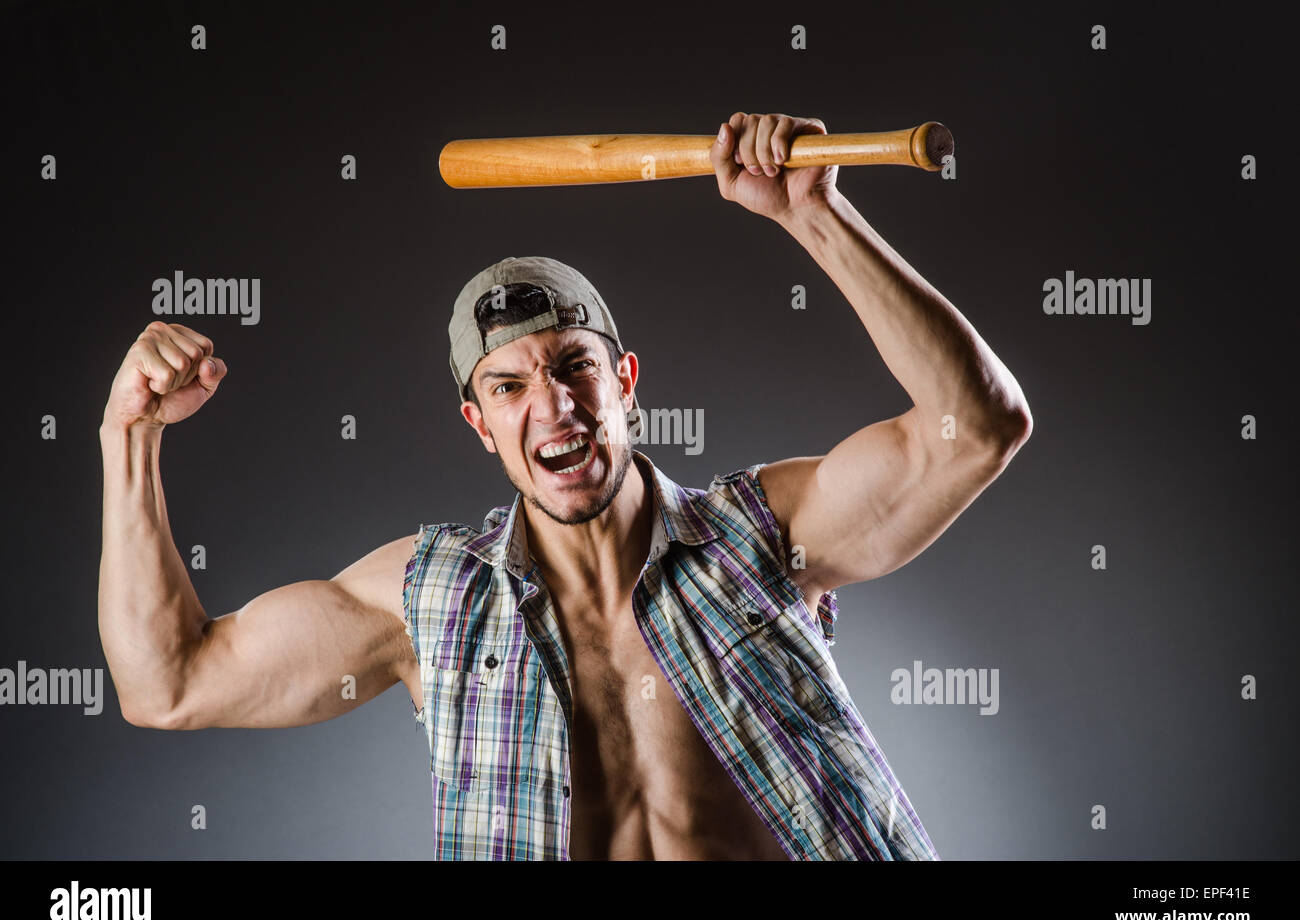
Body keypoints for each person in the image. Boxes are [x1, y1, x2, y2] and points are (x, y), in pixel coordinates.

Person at [98, 111, 1031, 860]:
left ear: (624, 381)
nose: (553, 406)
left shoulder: (767, 533)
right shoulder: (426, 600)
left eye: (574, 366)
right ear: (481, 424)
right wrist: (128, 438)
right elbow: (167, 685)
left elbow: (978, 426)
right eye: (509, 385)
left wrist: (814, 214)